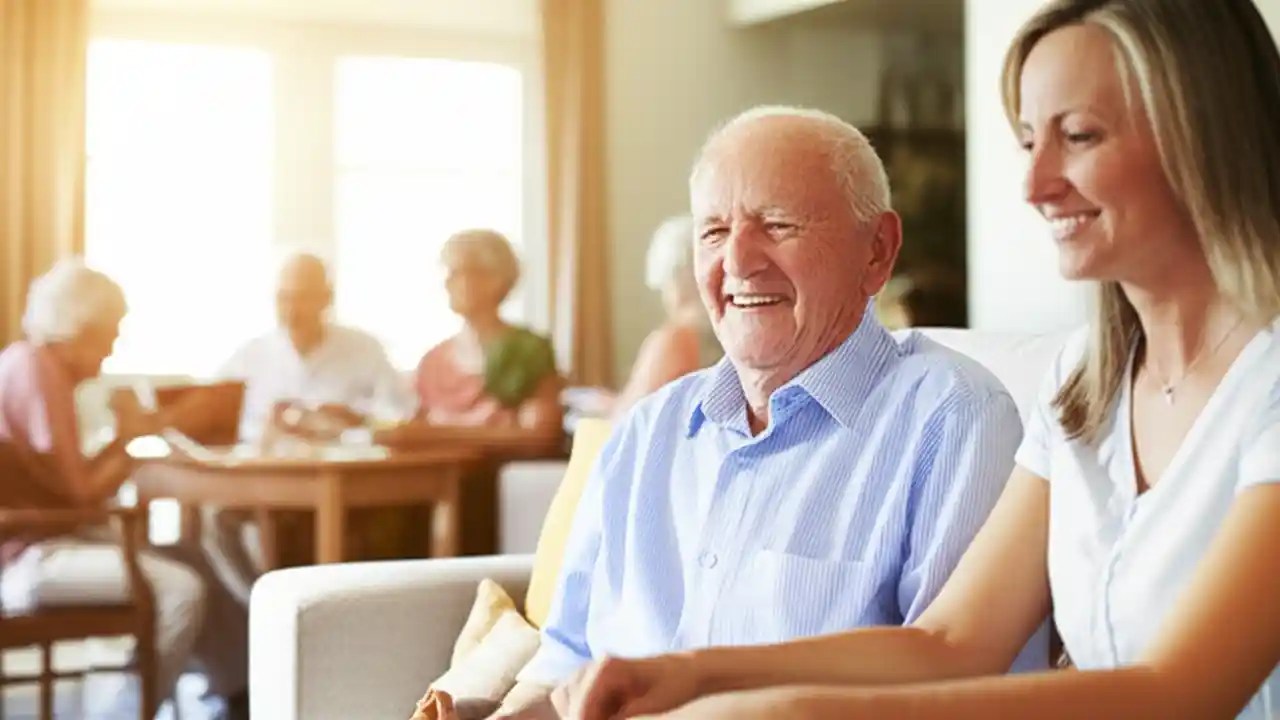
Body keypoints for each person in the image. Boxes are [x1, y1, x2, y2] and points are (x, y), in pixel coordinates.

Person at [552, 2, 1280, 718]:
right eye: (1029, 142)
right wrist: (687, 673)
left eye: (1080, 136)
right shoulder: (1087, 379)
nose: (1034, 186)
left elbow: (1178, 694)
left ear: (1204, 134)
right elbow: (951, 641)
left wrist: (785, 711)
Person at [491, 105, 1046, 719]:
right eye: (713, 232)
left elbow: (961, 690)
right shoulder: (647, 432)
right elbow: (562, 669)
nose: (737, 262)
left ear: (877, 252)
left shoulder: (956, 419)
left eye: (778, 225)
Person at [0, 259, 208, 718]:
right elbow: (82, 494)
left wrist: (128, 438)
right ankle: (126, 714)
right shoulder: (38, 370)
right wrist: (130, 437)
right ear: (82, 328)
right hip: (27, 559)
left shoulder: (26, 363)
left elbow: (67, 483)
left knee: (192, 559)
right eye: (111, 334)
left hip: (37, 544)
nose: (112, 350)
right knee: (182, 589)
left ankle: (225, 694)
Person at [378, 229, 562, 449]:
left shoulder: (528, 350)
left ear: (494, 279)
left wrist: (438, 436)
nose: (447, 282)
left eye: (457, 272)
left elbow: (540, 434)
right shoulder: (432, 360)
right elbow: (411, 428)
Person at [220, 252, 415, 445]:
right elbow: (219, 426)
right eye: (284, 298)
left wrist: (356, 422)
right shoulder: (249, 357)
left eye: (302, 298)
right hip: (269, 461)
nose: (292, 310)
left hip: (346, 460)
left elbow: (397, 417)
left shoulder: (366, 350)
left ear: (327, 298)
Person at [565, 216, 722, 419]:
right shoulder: (730, 331)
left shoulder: (675, 340)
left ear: (674, 279)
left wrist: (607, 406)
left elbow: (631, 419)